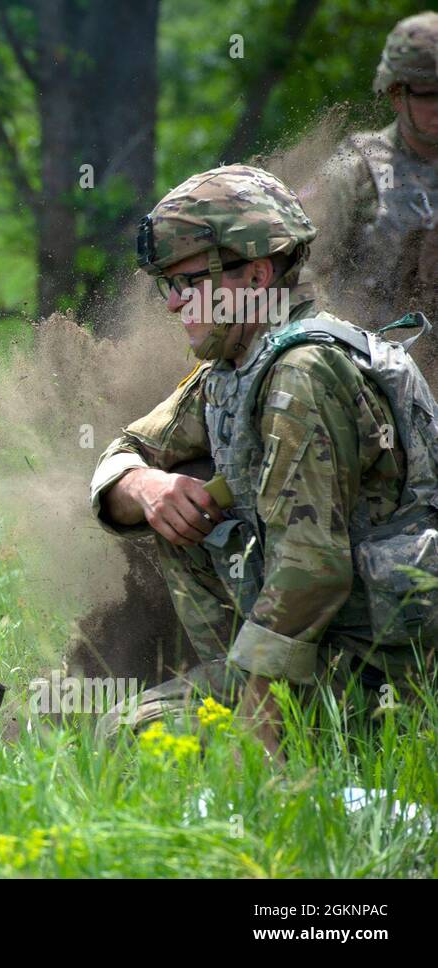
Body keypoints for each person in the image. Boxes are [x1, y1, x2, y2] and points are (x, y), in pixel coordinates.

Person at [90, 164, 438, 759]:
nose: (172, 305)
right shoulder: (237, 369)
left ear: (255, 274)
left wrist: (257, 743)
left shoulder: (302, 373)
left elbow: (310, 573)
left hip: (378, 682)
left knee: (135, 741)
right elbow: (127, 452)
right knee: (125, 729)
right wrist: (147, 486)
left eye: (186, 283)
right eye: (165, 286)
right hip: (321, 661)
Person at [305, 12, 438, 332]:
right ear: (396, 95)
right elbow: (301, 269)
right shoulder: (355, 170)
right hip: (368, 353)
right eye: (429, 94)